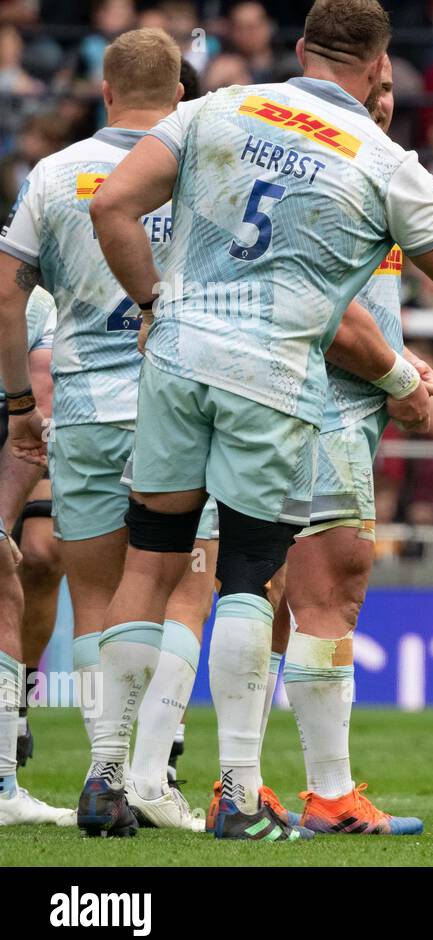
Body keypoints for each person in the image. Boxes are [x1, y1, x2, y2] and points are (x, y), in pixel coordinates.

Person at [72, 0, 433, 841]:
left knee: (153, 560)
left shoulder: (219, 106)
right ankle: (238, 793)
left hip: (175, 358)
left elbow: (111, 208)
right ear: (380, 68)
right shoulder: (381, 162)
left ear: (301, 48)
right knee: (249, 576)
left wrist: (156, 303)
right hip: (269, 376)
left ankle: (105, 776)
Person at [0, 27, 222, 833]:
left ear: (105, 90)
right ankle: (152, 774)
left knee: (93, 595)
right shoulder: (205, 168)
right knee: (186, 589)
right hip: (182, 403)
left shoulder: (56, 174)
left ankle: (104, 777)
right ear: (181, 94)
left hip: (88, 407)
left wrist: (20, 405)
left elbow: (6, 293)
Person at [261, 57, 425, 835]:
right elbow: (324, 308)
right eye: (374, 87)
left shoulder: (365, 171)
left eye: (391, 91)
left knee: (265, 593)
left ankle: (235, 783)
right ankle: (326, 795)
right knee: (323, 587)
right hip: (317, 406)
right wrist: (398, 376)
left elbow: (363, 304)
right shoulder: (341, 174)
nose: (383, 103)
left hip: (301, 400)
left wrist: (402, 358)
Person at [0, 286, 70, 826]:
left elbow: (41, 393)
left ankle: (16, 706)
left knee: (40, 556)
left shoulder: (36, 299)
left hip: (22, 426)